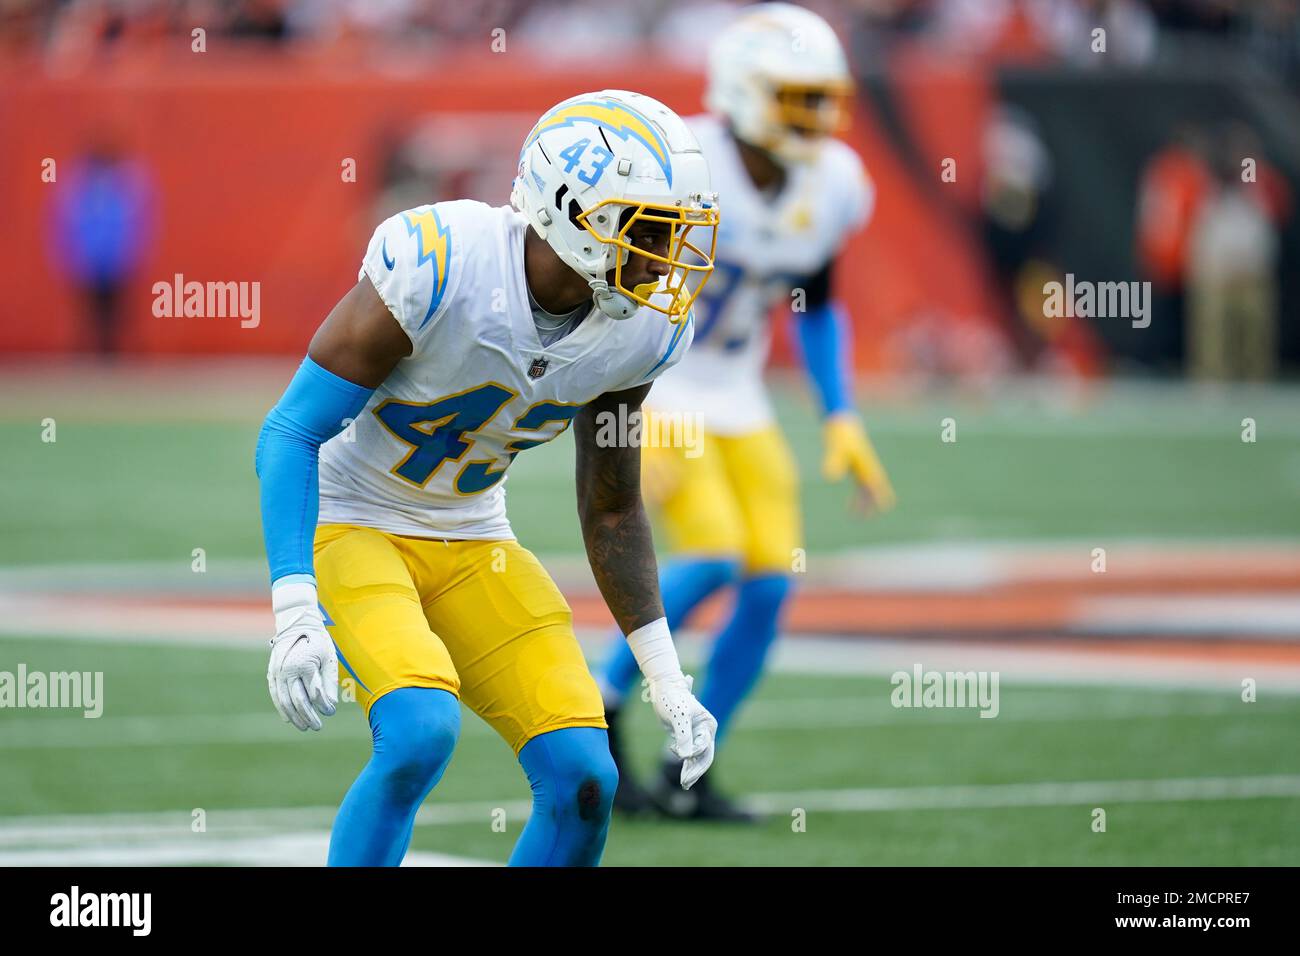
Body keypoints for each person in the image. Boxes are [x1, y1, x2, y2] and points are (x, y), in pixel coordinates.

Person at [255, 90, 721, 866]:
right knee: (417, 733)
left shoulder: (639, 332)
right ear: (579, 214)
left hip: (473, 535)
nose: (664, 256)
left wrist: (664, 675)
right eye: (649, 230)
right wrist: (294, 604)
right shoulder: (444, 263)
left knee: (583, 779)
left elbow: (612, 508)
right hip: (353, 519)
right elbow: (292, 429)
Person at [598, 4, 895, 821]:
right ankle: (600, 691)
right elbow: (616, 298)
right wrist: (621, 416)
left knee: (770, 582)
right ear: (745, 91)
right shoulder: (682, 161)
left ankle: (689, 771)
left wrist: (842, 415)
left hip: (739, 394)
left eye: (821, 98)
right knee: (719, 553)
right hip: (662, 386)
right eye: (797, 98)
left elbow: (819, 304)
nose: (816, 118)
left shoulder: (833, 183)